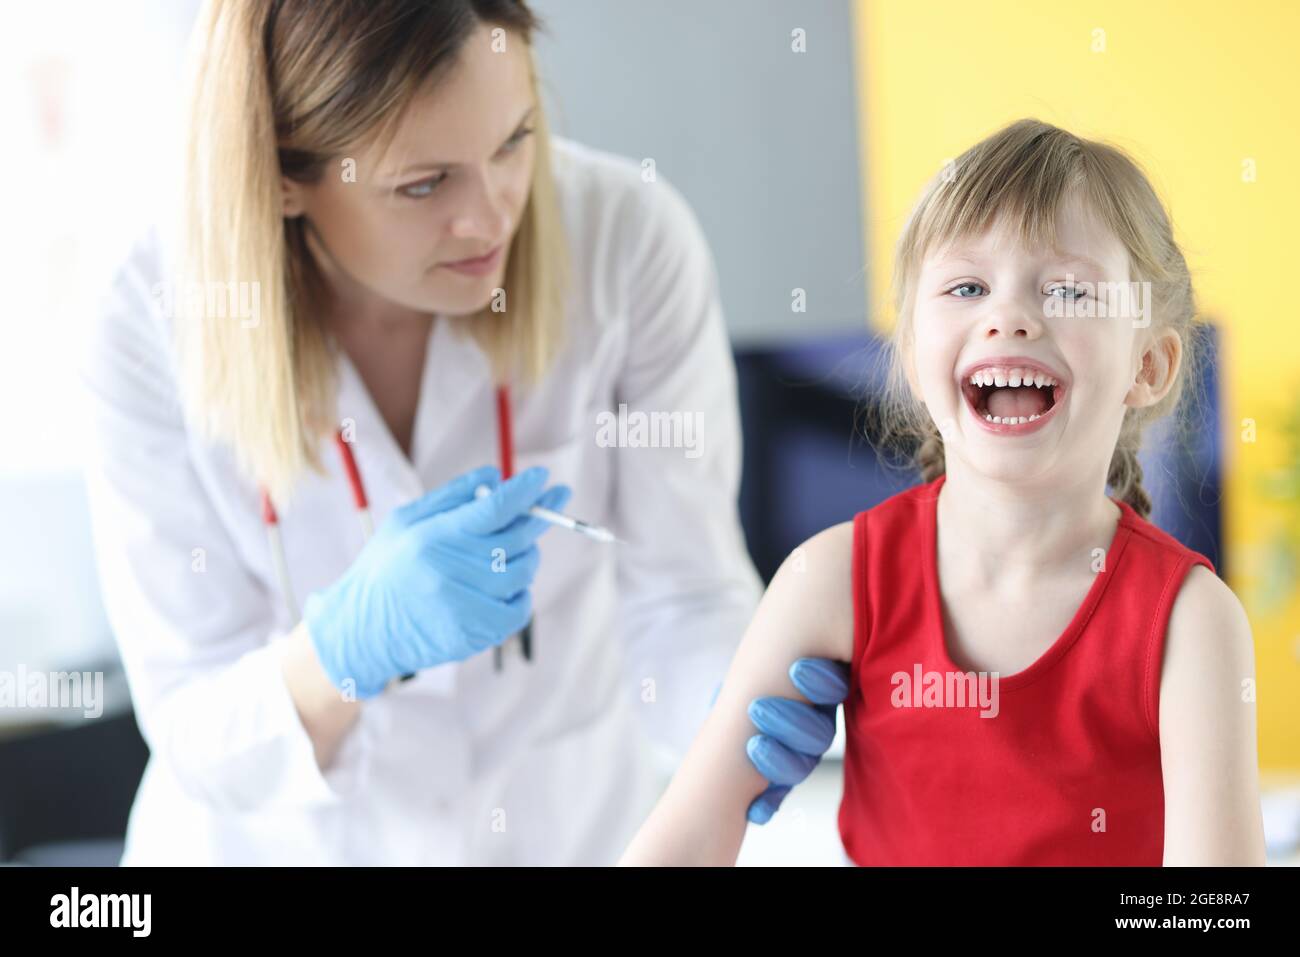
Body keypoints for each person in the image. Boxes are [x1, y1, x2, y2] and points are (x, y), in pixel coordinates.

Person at [78, 0, 841, 865]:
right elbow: (194, 730)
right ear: (284, 176)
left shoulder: (627, 241)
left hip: (564, 835)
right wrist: (339, 655)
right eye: (424, 183)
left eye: (515, 140)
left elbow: (682, 595)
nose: (492, 219)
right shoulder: (150, 315)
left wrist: (734, 703)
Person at [619, 119, 1268, 866]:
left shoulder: (1192, 622)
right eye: (966, 286)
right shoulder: (828, 580)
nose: (1009, 316)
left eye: (1066, 289)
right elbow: (679, 844)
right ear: (914, 356)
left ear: (1148, 364)